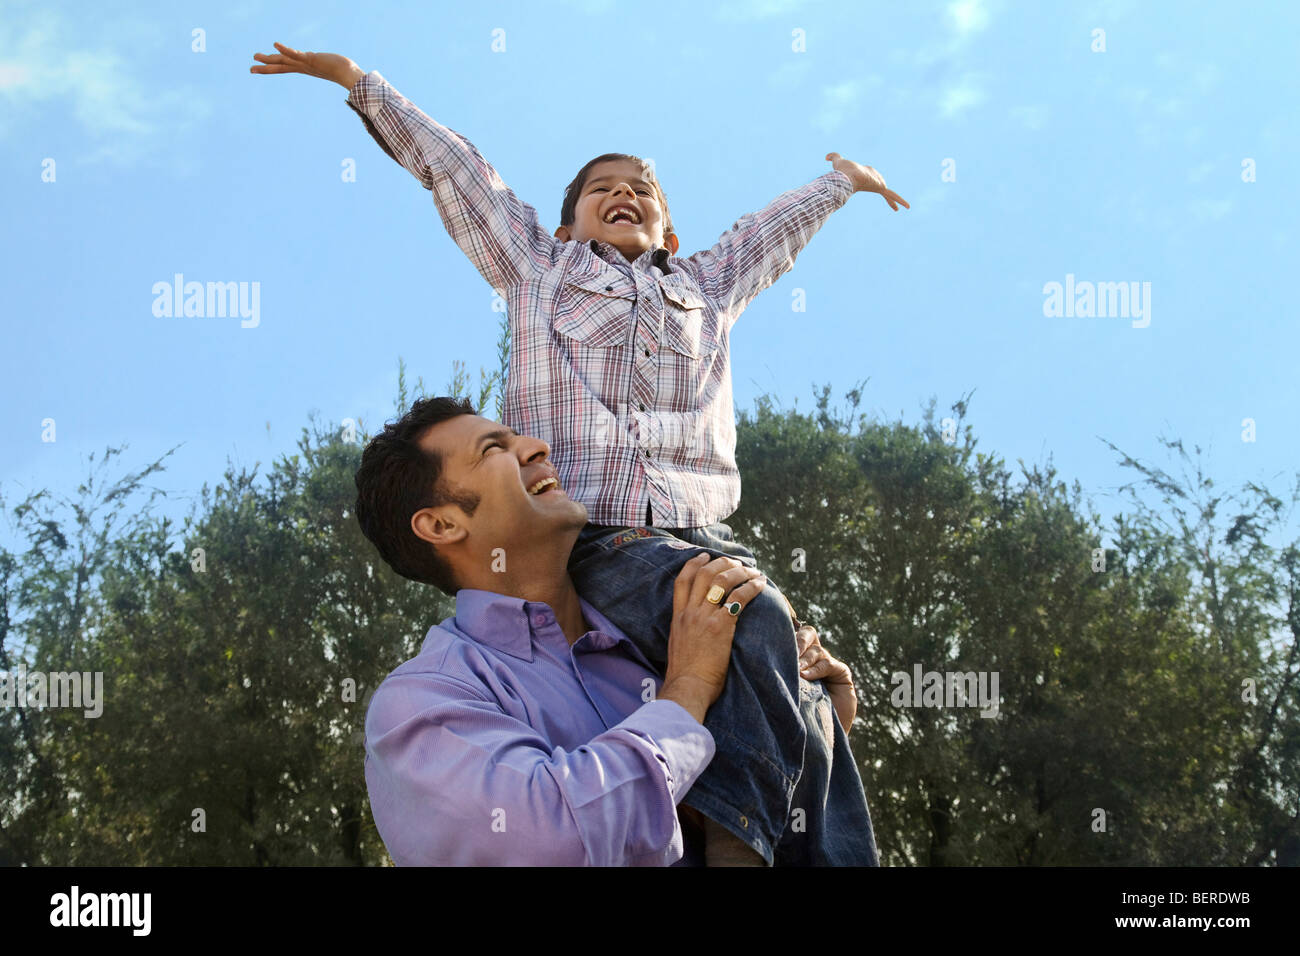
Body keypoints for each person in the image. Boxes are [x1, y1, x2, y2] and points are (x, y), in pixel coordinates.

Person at [252, 42, 905, 865]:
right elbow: (459, 173)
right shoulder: (538, 267)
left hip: (704, 539)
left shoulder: (703, 287)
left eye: (644, 189)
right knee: (753, 622)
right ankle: (733, 849)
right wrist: (359, 84)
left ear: (672, 231)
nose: (625, 192)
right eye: (602, 188)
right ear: (565, 225)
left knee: (806, 696)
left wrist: (841, 183)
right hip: (606, 539)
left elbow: (768, 234)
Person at [352, 396, 865, 865]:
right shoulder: (420, 703)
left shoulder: (669, 636)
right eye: (493, 450)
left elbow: (757, 813)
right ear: (441, 525)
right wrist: (688, 688)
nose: (537, 446)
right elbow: (549, 840)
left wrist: (813, 720)